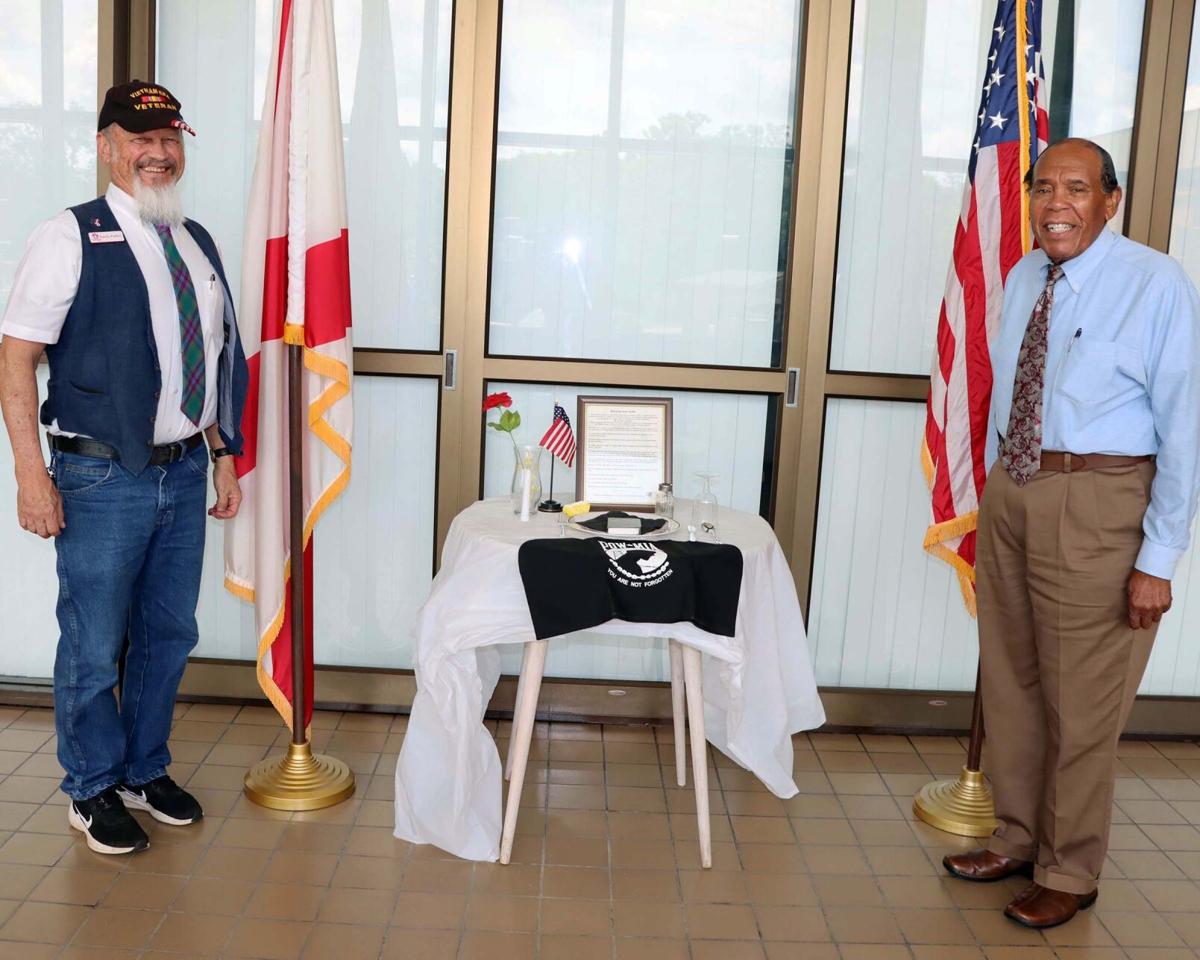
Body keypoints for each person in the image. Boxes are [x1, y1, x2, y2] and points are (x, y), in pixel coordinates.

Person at [943, 138, 1200, 928]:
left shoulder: (1155, 285)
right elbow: (1012, 392)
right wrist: (991, 501)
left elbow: (1185, 428)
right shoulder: (1026, 276)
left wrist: (1157, 559)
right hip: (1017, 494)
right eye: (1045, 186)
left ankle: (1070, 868)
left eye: (1078, 188)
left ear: (1110, 201)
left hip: (1100, 501)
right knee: (1014, 682)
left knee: (1082, 706)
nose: (1057, 202)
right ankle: (1019, 838)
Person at [0, 81, 248, 855]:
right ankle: (91, 786)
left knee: (168, 633)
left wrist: (222, 455)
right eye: (141, 136)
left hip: (181, 473)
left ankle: (143, 770)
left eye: (171, 136)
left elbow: (206, 359)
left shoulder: (195, 240)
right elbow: (16, 359)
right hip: (101, 478)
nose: (159, 151)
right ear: (107, 145)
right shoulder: (69, 236)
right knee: (94, 639)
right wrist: (30, 475)